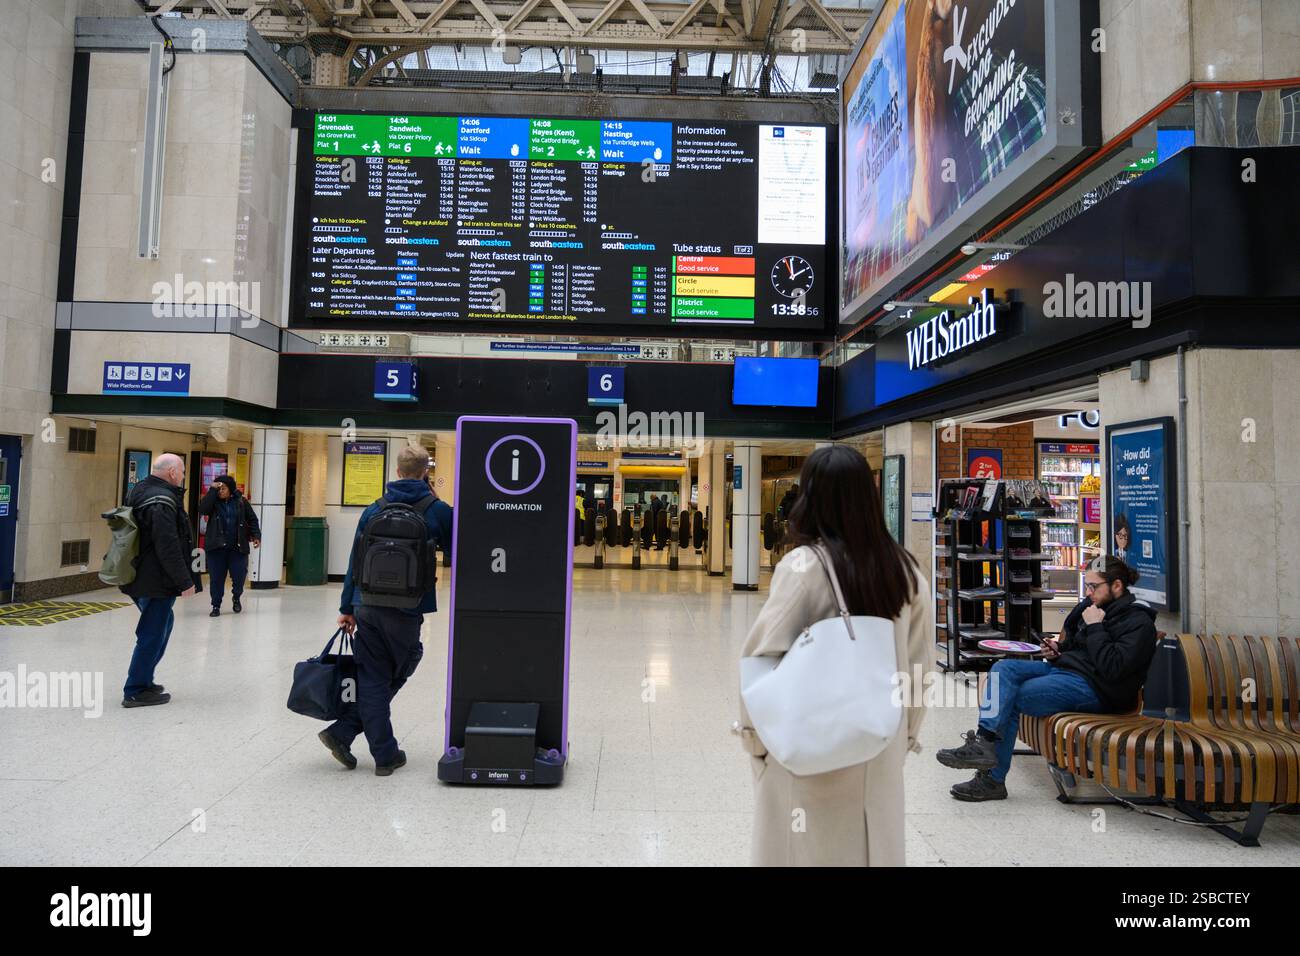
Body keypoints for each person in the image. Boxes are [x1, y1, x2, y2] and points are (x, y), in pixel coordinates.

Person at [736, 445, 931, 866]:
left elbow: (760, 656)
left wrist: (757, 744)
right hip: (878, 750)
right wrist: (901, 739)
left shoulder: (804, 567)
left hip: (808, 752)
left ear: (811, 498)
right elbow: (919, 670)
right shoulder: (907, 572)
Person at [936, 554, 1157, 801]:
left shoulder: (1137, 622)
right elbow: (1079, 650)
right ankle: (984, 741)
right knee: (1002, 669)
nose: (1089, 592)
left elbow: (1113, 668)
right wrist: (1056, 650)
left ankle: (992, 780)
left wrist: (1095, 627)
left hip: (1097, 689)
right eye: (1087, 585)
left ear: (1117, 586)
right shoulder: (1093, 609)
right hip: (1067, 671)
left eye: (1094, 586)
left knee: (1011, 696)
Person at [318, 445, 453, 776]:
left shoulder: (373, 509)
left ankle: (345, 732)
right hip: (407, 608)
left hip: (367, 605)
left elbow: (355, 561)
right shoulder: (437, 510)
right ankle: (383, 754)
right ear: (425, 473)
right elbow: (458, 550)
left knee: (375, 675)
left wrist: (347, 606)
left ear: (396, 472)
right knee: (395, 670)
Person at [120, 454, 196, 707]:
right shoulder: (162, 501)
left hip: (141, 574)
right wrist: (184, 581)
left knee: (162, 624)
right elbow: (167, 545)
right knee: (152, 632)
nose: (184, 476)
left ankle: (144, 680)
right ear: (173, 472)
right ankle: (135, 689)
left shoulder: (142, 489)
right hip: (155, 579)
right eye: (183, 471)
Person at [197, 475, 260, 616]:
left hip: (237, 548)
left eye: (223, 488)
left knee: (239, 576)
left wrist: (256, 535)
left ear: (230, 489)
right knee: (216, 579)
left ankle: (236, 597)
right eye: (218, 489)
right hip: (216, 548)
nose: (220, 491)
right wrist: (212, 491)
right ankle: (216, 606)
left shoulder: (241, 502)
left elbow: (252, 519)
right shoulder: (213, 503)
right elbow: (203, 509)